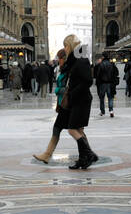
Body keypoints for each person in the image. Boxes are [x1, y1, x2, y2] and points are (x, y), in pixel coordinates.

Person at [58, 36, 98, 169]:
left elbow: (88, 81)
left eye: (66, 46)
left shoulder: (81, 60)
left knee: (72, 129)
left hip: (81, 99)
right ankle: (84, 158)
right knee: (79, 130)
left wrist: (73, 93)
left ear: (70, 46)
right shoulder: (76, 60)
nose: (65, 48)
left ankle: (89, 154)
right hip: (79, 99)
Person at [34, 48, 70, 164]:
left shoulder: (69, 71)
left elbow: (69, 88)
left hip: (67, 105)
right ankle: (46, 155)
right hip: (63, 104)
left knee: (73, 131)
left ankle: (47, 154)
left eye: (59, 58)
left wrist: (58, 90)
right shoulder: (64, 70)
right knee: (74, 131)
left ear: (64, 59)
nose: (58, 60)